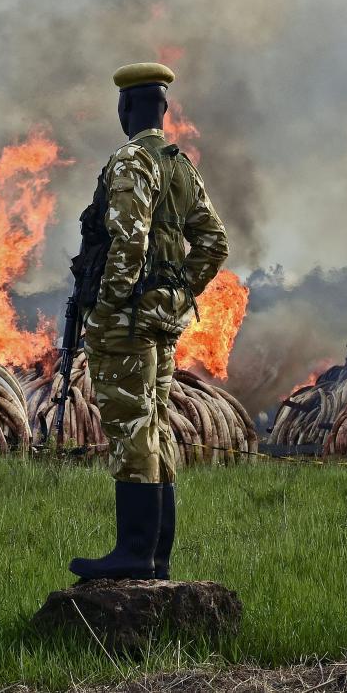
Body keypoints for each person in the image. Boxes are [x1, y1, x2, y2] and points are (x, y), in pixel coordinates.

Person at [69, 62, 229, 581]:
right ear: (164, 108)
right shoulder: (180, 165)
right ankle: (156, 557)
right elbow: (213, 244)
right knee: (155, 426)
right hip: (160, 320)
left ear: (126, 108)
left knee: (132, 428)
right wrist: (177, 293)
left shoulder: (131, 161)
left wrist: (116, 301)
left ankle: (134, 553)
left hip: (127, 321)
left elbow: (129, 241)